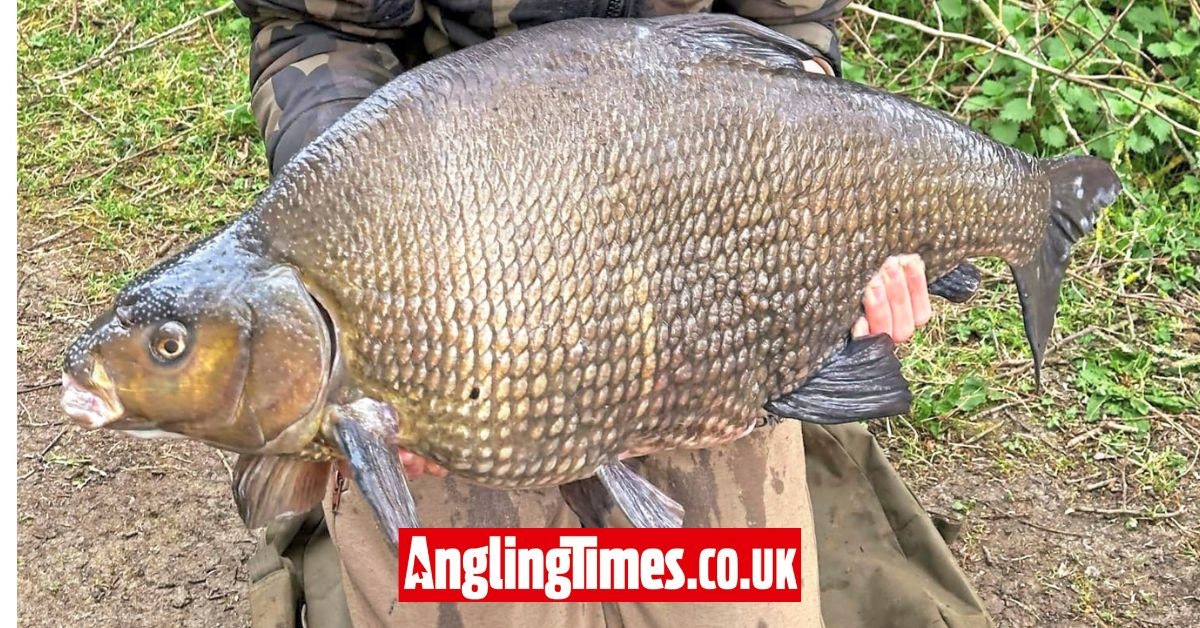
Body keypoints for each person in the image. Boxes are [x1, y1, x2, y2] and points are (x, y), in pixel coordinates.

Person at [233, 1, 995, 626]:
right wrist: (374, 267)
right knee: (483, 591)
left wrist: (825, 229)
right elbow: (323, 27)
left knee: (726, 594)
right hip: (458, 240)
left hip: (698, 220)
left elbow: (787, 32)